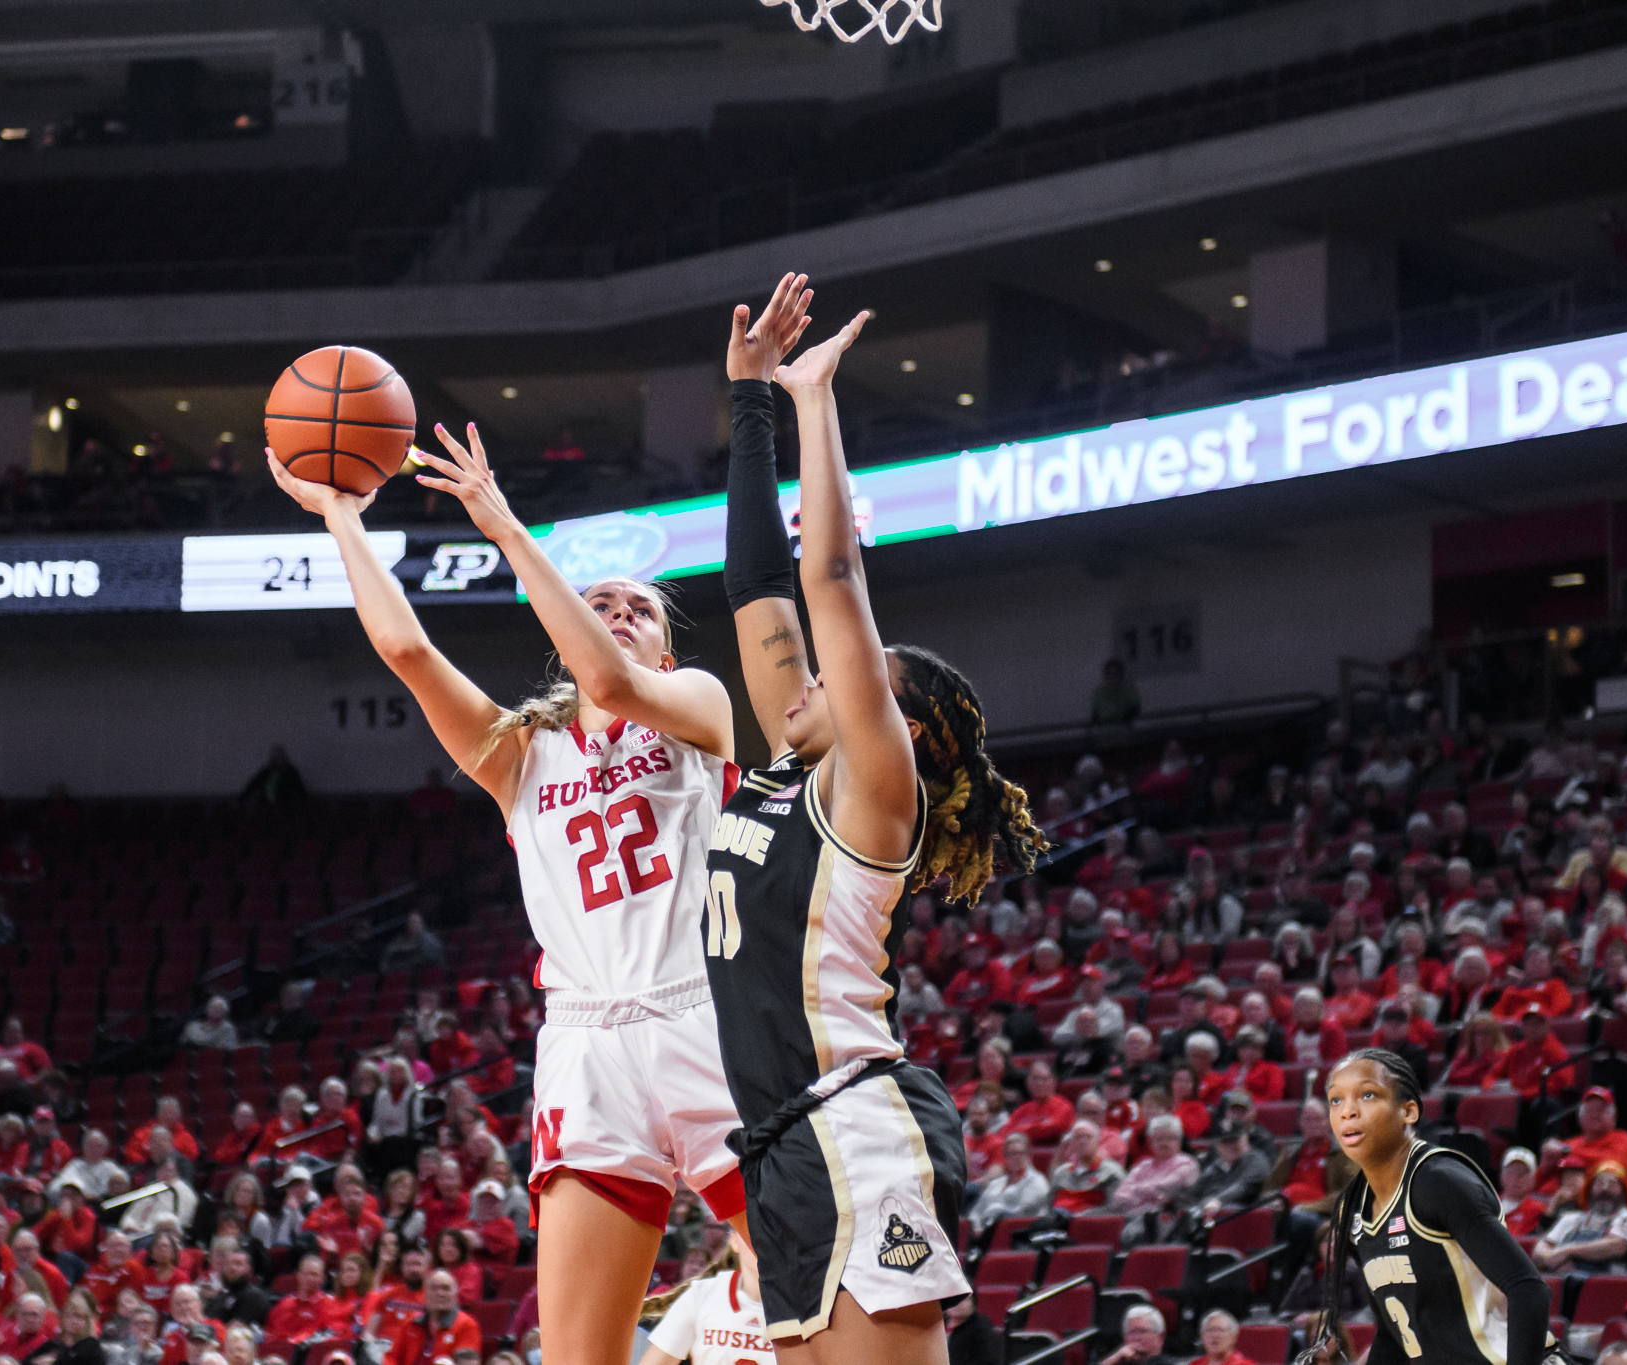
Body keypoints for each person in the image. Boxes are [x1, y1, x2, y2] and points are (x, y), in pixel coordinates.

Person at [272, 281, 764, 1365]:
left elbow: (610, 679)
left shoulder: (695, 708)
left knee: (810, 1306)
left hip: (705, 1025)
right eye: (601, 602)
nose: (617, 610)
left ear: (667, 649)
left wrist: (501, 521)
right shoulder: (518, 757)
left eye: (638, 605)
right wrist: (344, 520)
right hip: (586, 1046)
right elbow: (406, 653)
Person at [704, 294, 1051, 1360]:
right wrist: (750, 402)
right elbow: (758, 585)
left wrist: (814, 404)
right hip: (782, 1151)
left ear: (891, 728)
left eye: (849, 675)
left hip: (853, 1127)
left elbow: (827, 576)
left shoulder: (867, 797)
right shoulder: (779, 772)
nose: (807, 676)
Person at [1302, 1049, 1552, 1365]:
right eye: (1338, 1100)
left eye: (1368, 1096)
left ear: (1407, 1112)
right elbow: (1393, 1337)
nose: (1350, 1111)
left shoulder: (1439, 1182)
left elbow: (1529, 1291)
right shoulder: (1351, 1209)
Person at [641, 1238, 772, 1365]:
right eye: (754, 1229)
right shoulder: (702, 1294)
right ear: (734, 1240)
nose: (764, 1240)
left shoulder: (791, 1305)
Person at [1531, 1162, 1627, 1270]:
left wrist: (1568, 1251)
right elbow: (1540, 1250)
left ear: (1624, 1190)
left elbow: (1617, 1246)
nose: (1605, 1189)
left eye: (1613, 1184)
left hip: (1610, 1287)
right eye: (1599, 1183)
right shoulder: (1571, 1218)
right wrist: (1553, 1259)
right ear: (1589, 1189)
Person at [1098, 1305, 1170, 1365]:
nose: (1136, 1337)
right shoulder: (1116, 1361)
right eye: (1131, 1332)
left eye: (1142, 1331)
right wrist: (1114, 1359)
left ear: (1160, 1337)